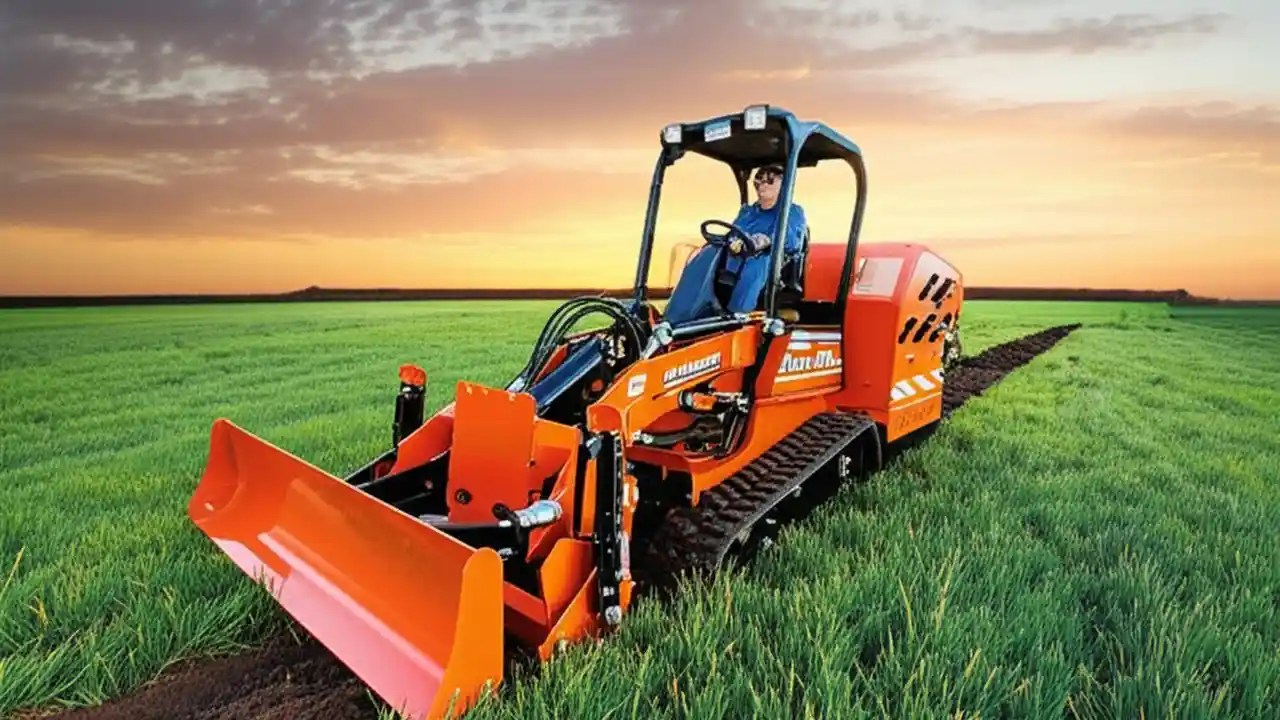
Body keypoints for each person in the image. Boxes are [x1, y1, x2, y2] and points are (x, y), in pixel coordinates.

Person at [722, 164, 807, 313]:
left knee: (760, 261)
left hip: (773, 265)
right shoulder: (747, 212)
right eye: (759, 180)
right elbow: (734, 232)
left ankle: (739, 314)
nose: (762, 185)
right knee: (707, 254)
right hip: (738, 258)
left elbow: (793, 242)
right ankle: (680, 315)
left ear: (784, 184)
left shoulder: (792, 211)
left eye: (769, 181)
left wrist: (768, 240)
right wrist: (734, 240)